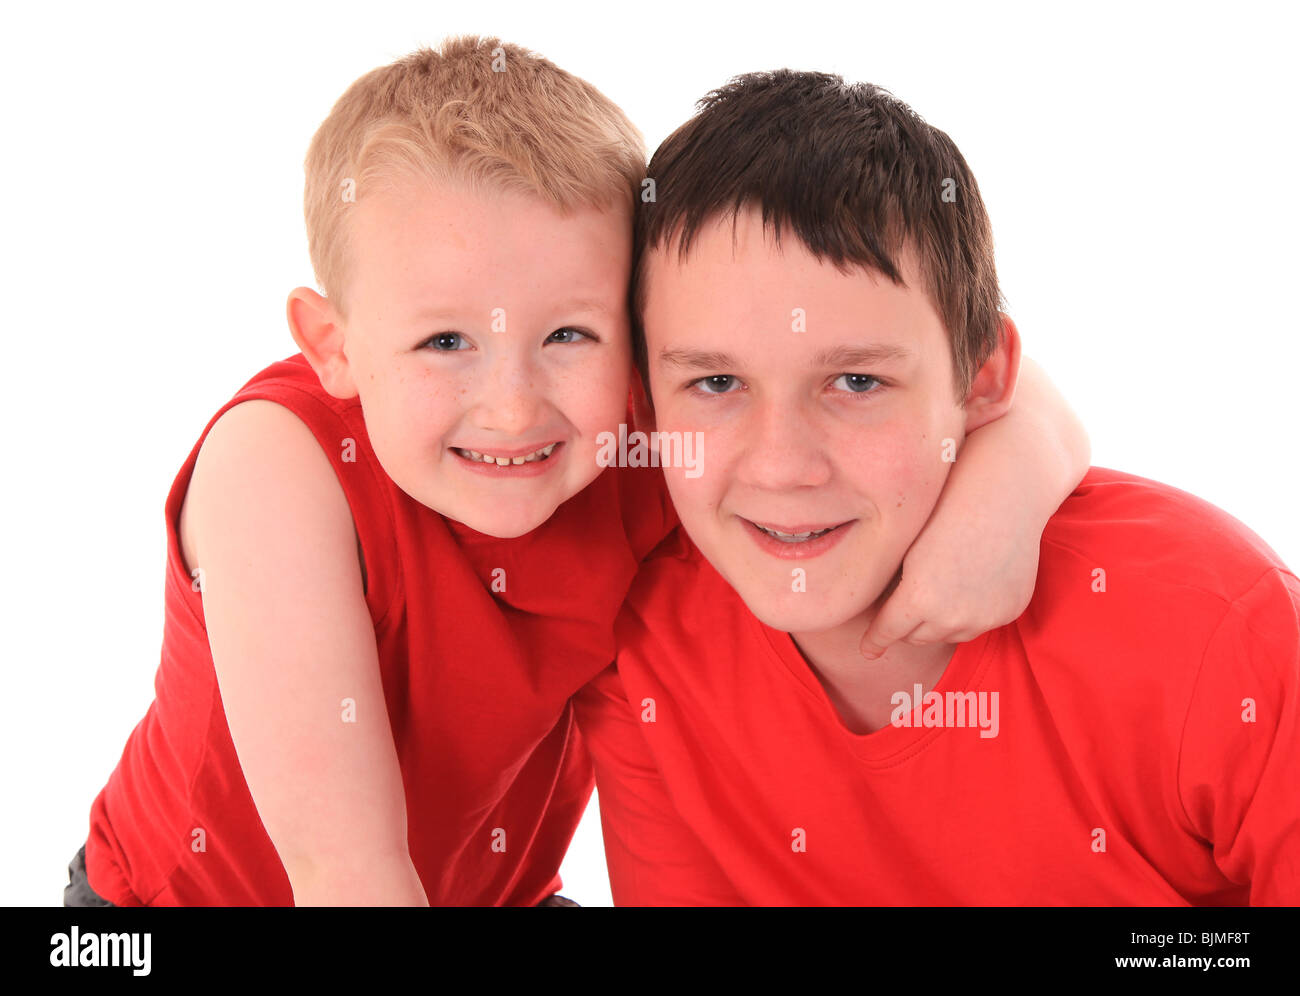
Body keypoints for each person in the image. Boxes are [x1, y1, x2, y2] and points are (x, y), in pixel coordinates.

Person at [66, 40, 1089, 907]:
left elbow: (991, 376)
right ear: (332, 345)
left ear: (642, 337)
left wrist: (995, 517)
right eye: (443, 343)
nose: (513, 407)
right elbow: (346, 868)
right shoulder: (277, 469)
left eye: (568, 332)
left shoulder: (639, 432)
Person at [574, 69, 1300, 905]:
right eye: (715, 384)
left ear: (984, 377)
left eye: (855, 383)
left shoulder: (1215, 628)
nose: (779, 466)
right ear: (642, 392)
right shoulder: (643, 656)